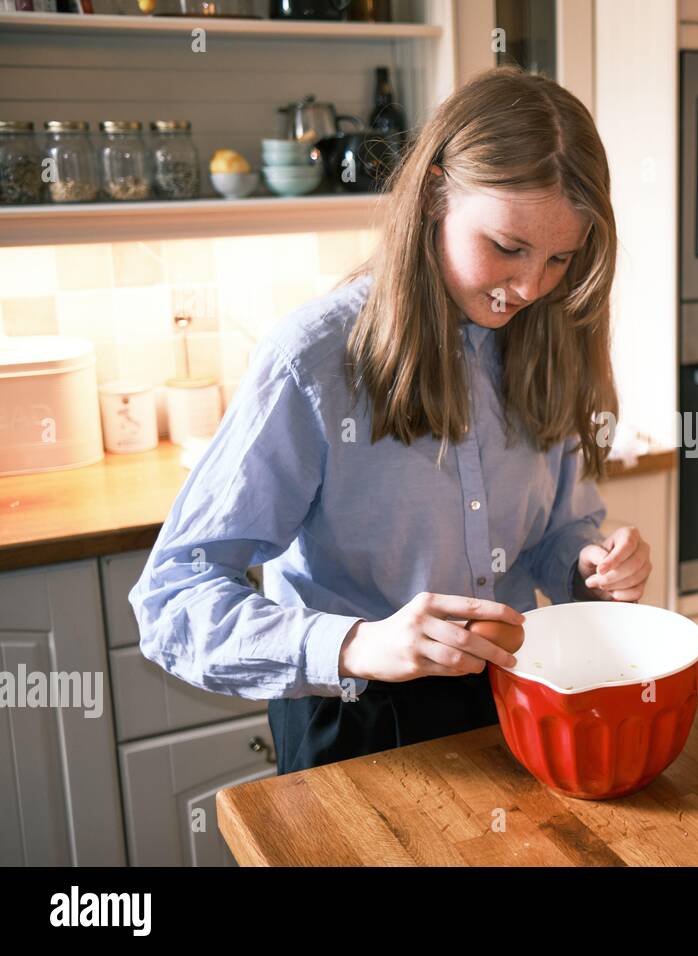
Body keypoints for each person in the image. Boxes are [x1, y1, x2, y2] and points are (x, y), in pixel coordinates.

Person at [128, 66, 651, 774]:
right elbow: (173, 598)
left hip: (503, 699)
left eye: (561, 258)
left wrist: (590, 568)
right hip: (351, 724)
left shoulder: (546, 338)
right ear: (436, 191)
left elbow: (553, 536)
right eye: (507, 247)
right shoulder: (312, 361)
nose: (530, 287)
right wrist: (357, 645)